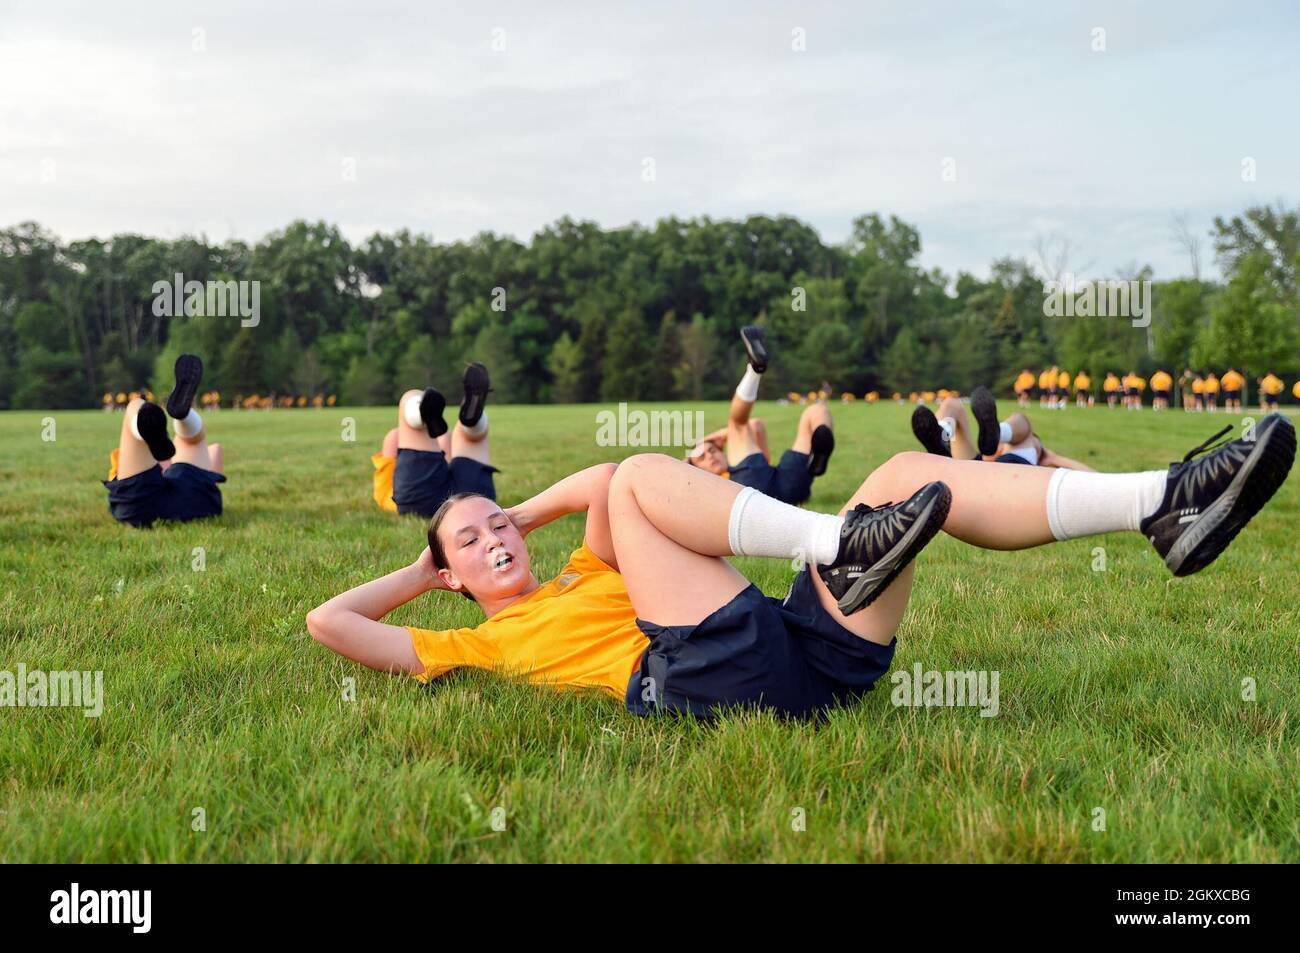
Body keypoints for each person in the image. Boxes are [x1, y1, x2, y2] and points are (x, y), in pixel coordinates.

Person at [306, 414, 1296, 720]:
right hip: (698, 678)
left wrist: (513, 507)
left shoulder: (591, 573)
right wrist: (427, 566)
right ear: (455, 578)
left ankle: (1160, 502)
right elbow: (329, 621)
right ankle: (833, 543)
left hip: (790, 655)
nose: (497, 539)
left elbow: (604, 483)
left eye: (501, 525)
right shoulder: (468, 637)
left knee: (911, 470)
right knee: (649, 475)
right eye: (474, 542)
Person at [684, 326, 834, 506]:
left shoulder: (743, 464)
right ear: (697, 471)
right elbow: (676, 477)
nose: (710, 456)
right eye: (702, 458)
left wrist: (723, 436)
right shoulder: (709, 488)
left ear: (723, 453)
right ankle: (754, 370)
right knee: (737, 423)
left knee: (816, 410)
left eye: (713, 450)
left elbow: (756, 425)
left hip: (784, 485)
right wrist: (726, 434)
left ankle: (820, 448)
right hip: (748, 492)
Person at [102, 354, 226, 528]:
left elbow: (215, 451)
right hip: (195, 502)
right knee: (192, 444)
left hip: (140, 505)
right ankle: (180, 417)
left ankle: (147, 422)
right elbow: (217, 449)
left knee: (135, 405)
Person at [371, 363, 496, 518]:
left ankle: (422, 413)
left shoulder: (384, 493)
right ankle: (471, 422)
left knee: (410, 399)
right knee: (461, 437)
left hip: (420, 499)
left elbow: (393, 438)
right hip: (472, 497)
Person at [911, 386, 1094, 470]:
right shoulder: (1009, 447)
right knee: (952, 403)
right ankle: (942, 434)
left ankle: (999, 432)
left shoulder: (1040, 454)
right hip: (979, 469)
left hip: (1005, 473)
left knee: (1022, 420)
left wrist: (1052, 457)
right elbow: (987, 457)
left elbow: (1088, 476)